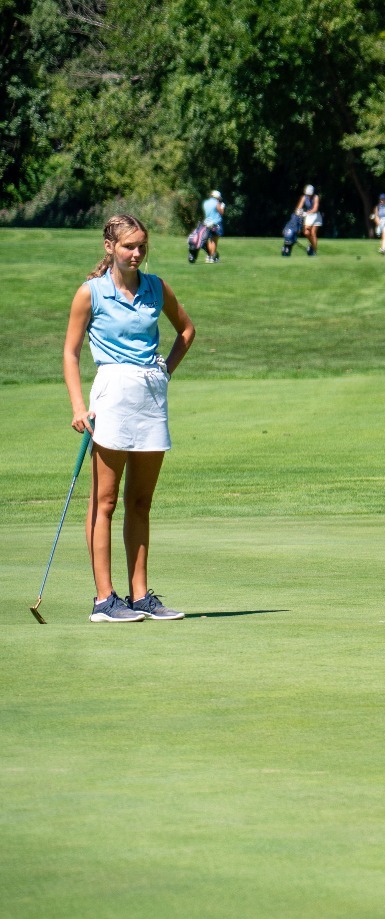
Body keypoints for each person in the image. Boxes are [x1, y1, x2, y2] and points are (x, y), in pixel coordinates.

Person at [62, 215, 196, 623]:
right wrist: (77, 407)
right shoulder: (91, 293)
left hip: (150, 396)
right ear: (109, 247)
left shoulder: (156, 288)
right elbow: (70, 353)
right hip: (112, 394)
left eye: (141, 246)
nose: (136, 253)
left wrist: (164, 372)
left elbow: (186, 331)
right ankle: (105, 599)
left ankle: (140, 596)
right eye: (128, 246)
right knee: (104, 501)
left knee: (140, 501)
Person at [288, 184, 321, 257]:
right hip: (308, 216)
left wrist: (306, 213)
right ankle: (312, 244)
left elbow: (315, 209)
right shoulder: (303, 197)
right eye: (307, 194)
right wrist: (298, 212)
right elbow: (299, 208)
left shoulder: (316, 197)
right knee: (306, 232)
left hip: (316, 216)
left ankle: (314, 252)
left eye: (310, 194)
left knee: (313, 233)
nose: (308, 196)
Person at [199, 189, 225, 263]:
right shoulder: (216, 203)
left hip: (207, 223)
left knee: (210, 240)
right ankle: (212, 257)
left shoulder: (206, 202)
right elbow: (221, 212)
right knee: (214, 240)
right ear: (217, 197)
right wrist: (222, 207)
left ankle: (209, 256)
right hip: (216, 223)